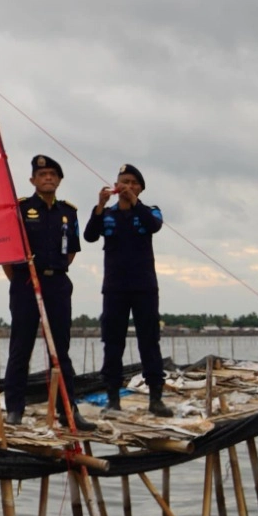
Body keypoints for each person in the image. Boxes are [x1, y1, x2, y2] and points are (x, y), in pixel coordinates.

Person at [1, 154, 82, 426]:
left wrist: (52, 272)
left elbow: (70, 252)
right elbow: (7, 256)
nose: (48, 178)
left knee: (60, 350)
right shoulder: (20, 209)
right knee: (20, 347)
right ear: (32, 180)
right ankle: (15, 409)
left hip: (57, 284)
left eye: (52, 175)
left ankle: (68, 409)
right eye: (42, 175)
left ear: (59, 180)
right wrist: (21, 278)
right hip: (25, 283)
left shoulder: (68, 212)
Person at [85, 163, 169, 416]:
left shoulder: (150, 211)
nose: (128, 187)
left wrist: (135, 202)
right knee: (112, 343)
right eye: (124, 182)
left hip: (144, 287)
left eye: (133, 183)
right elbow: (89, 235)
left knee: (149, 342)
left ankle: (156, 398)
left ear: (141, 188)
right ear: (115, 186)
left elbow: (153, 226)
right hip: (114, 289)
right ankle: (113, 398)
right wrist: (99, 205)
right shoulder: (107, 214)